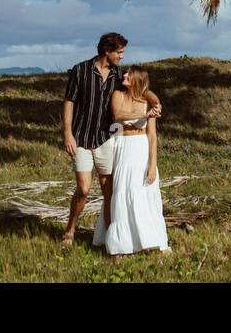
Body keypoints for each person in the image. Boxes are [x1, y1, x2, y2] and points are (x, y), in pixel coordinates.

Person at [60, 33, 161, 248]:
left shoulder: (117, 74)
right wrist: (67, 133)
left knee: (109, 192)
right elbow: (69, 102)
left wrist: (154, 102)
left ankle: (110, 238)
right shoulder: (80, 70)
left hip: (106, 138)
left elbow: (141, 87)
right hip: (81, 137)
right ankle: (70, 230)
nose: (122, 57)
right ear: (107, 51)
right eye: (119, 52)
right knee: (84, 188)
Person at [93, 66, 169, 255]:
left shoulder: (148, 101)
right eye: (125, 73)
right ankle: (120, 244)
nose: (124, 76)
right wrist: (143, 115)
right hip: (122, 146)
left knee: (142, 192)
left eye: (128, 74)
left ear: (137, 79)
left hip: (140, 148)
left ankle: (148, 240)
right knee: (122, 192)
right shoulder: (118, 95)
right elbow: (118, 115)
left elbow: (152, 137)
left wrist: (152, 165)